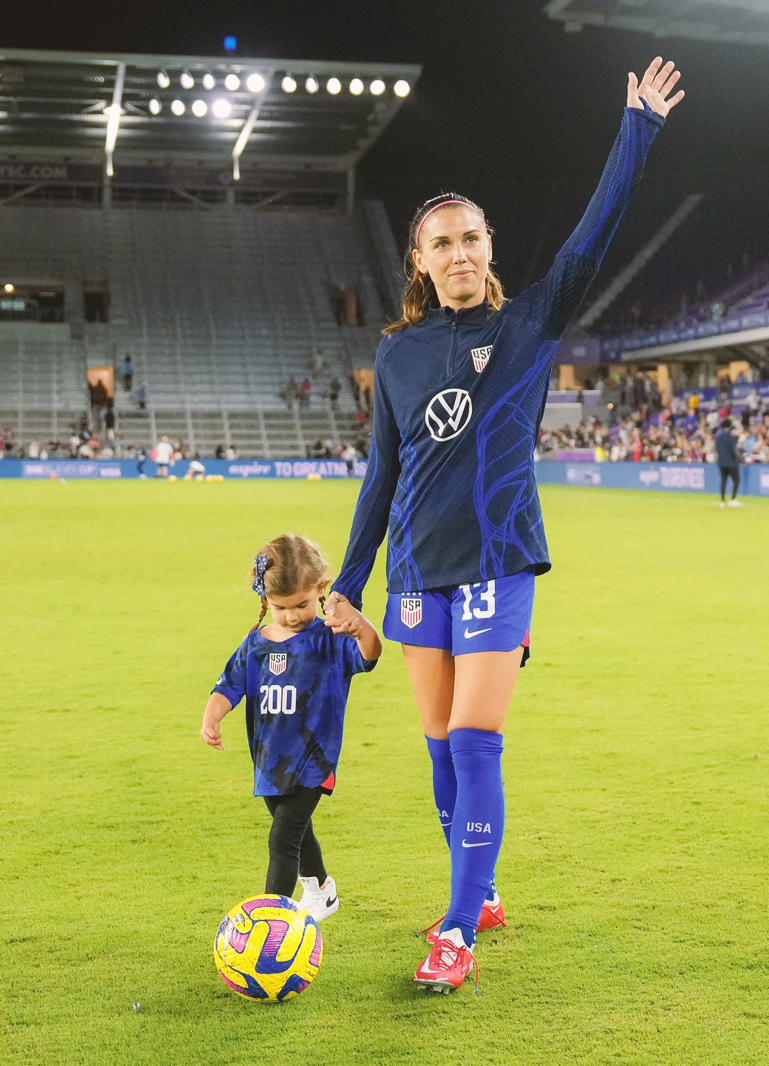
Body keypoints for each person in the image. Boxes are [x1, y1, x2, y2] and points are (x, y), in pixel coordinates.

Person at [324, 57, 684, 993]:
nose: (459, 254)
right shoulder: (396, 355)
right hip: (416, 570)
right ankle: (477, 892)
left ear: (490, 248)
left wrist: (637, 128)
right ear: (419, 260)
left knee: (476, 740)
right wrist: (350, 583)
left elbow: (591, 239)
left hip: (497, 561)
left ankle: (456, 930)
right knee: (440, 747)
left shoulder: (529, 324)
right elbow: (381, 476)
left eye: (472, 238)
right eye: (441, 242)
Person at [200, 534, 381, 919]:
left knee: (282, 839)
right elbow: (229, 685)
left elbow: (369, 656)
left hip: (314, 760)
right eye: (281, 608)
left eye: (302, 604)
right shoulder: (256, 644)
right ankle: (321, 889)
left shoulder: (330, 639)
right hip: (269, 761)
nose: (293, 616)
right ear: (265, 599)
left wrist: (361, 629)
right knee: (297, 830)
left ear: (321, 589)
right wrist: (212, 716)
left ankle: (271, 922)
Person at [715, 418, 743, 508]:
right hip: (731, 462)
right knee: (736, 480)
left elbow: (716, 449)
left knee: (723, 480)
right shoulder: (730, 436)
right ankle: (733, 499)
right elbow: (734, 450)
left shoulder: (718, 436)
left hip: (721, 462)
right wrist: (742, 460)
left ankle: (722, 501)